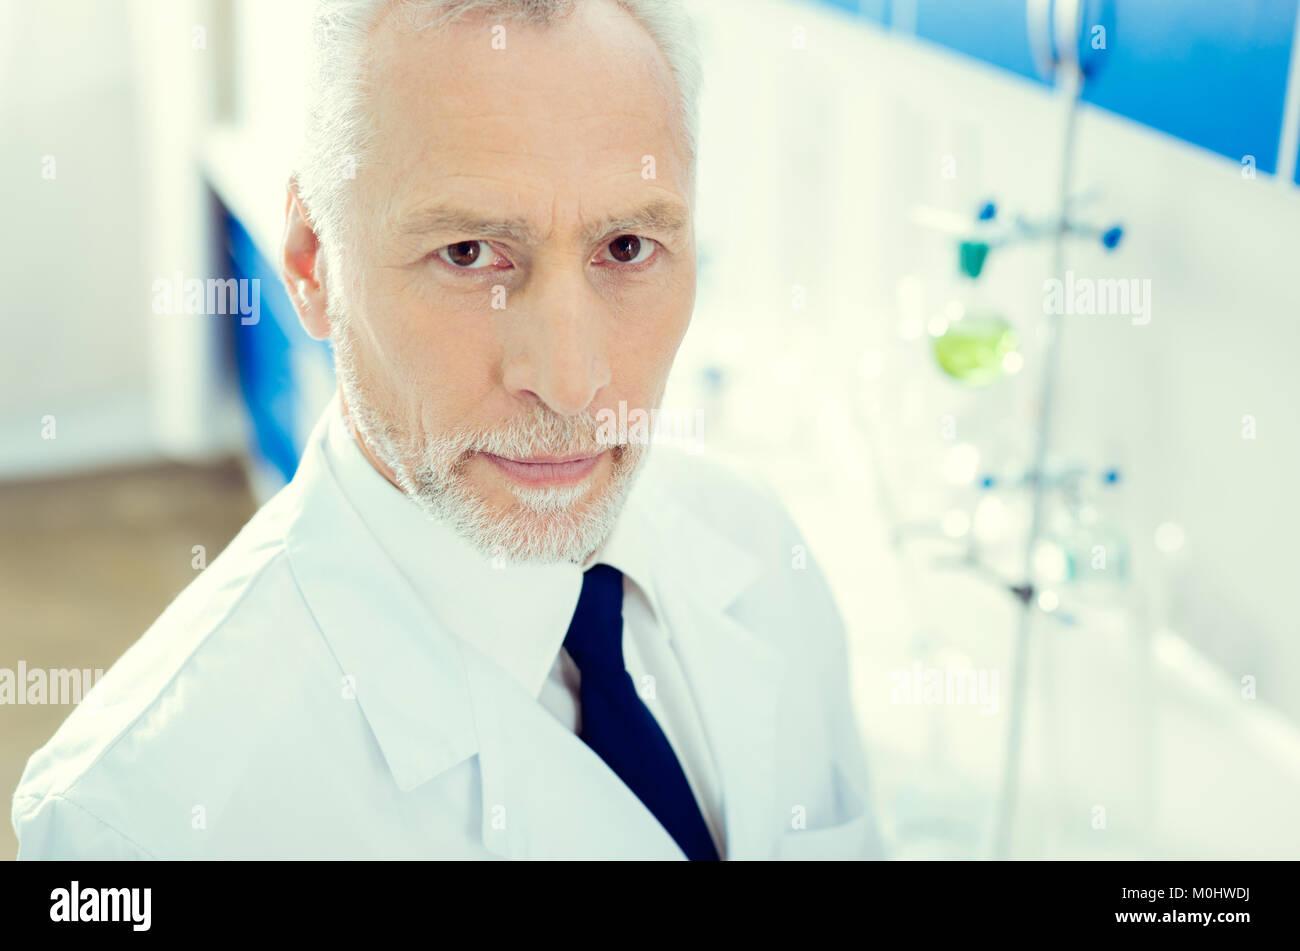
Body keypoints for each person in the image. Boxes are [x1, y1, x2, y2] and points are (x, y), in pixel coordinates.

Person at [12, 0, 883, 860]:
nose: (570, 385)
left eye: (625, 247)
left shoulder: (758, 543)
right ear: (313, 264)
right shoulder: (139, 822)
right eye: (468, 254)